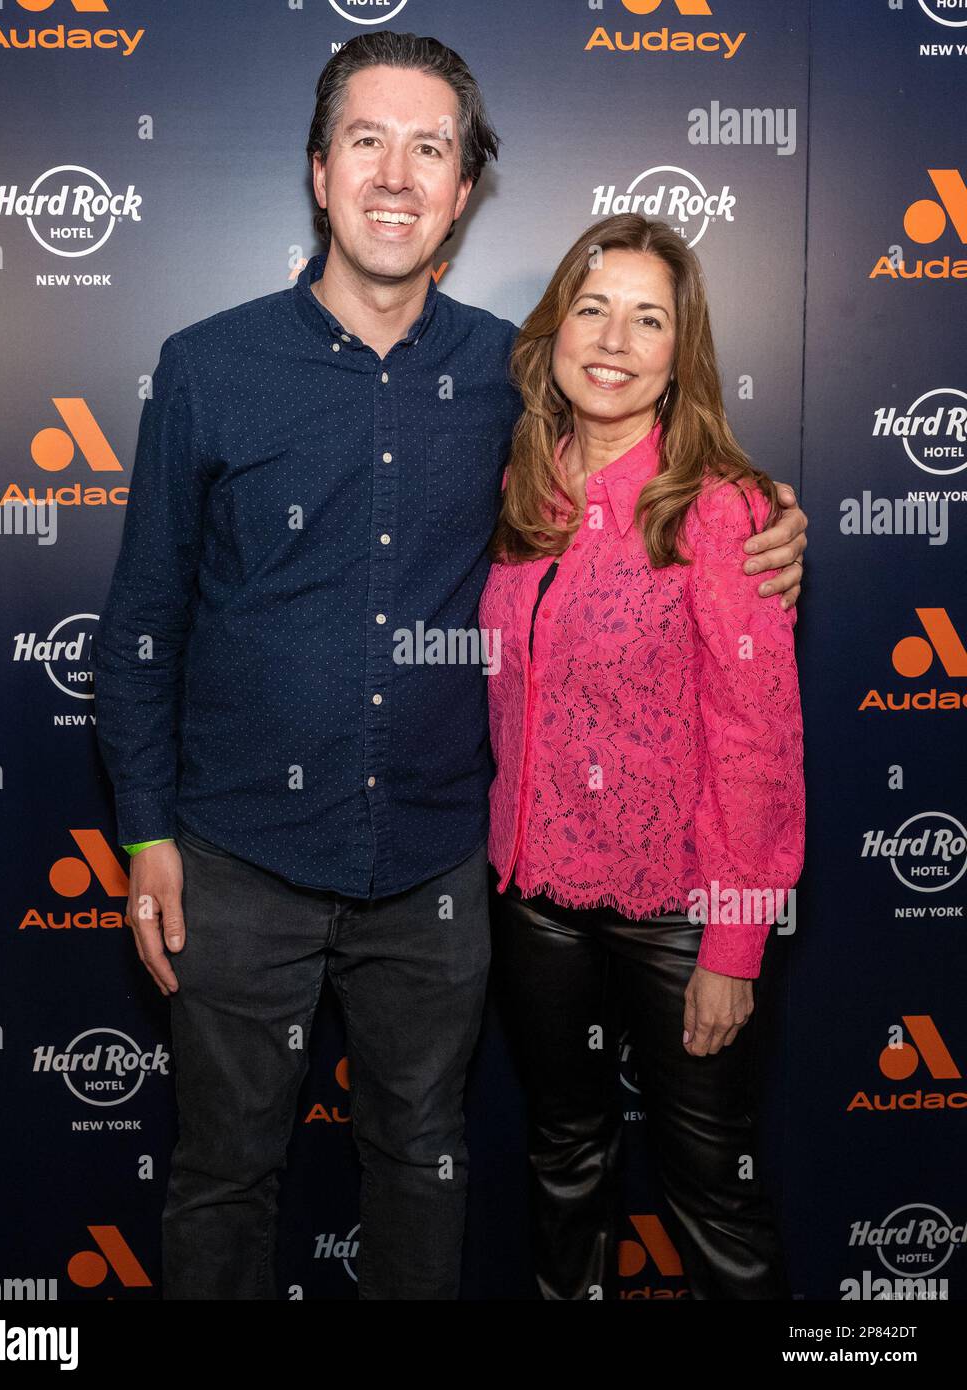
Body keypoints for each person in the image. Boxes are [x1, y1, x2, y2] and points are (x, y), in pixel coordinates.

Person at [91, 33, 808, 1301]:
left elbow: (646, 448)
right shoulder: (205, 369)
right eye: (365, 140)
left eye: (429, 147)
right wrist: (145, 833)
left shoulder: (513, 375)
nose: (394, 175)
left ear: (462, 190)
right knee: (220, 1175)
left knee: (422, 1165)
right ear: (318, 172)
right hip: (238, 859)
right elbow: (143, 618)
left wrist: (763, 519)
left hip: (431, 867)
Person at [480, 213, 805, 1300]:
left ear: (680, 351)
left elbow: (757, 744)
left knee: (709, 1189)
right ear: (554, 332)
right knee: (564, 1159)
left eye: (646, 316)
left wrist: (732, 944)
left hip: (680, 913)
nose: (613, 338)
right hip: (533, 901)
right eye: (591, 307)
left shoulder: (725, 512)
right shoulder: (521, 491)